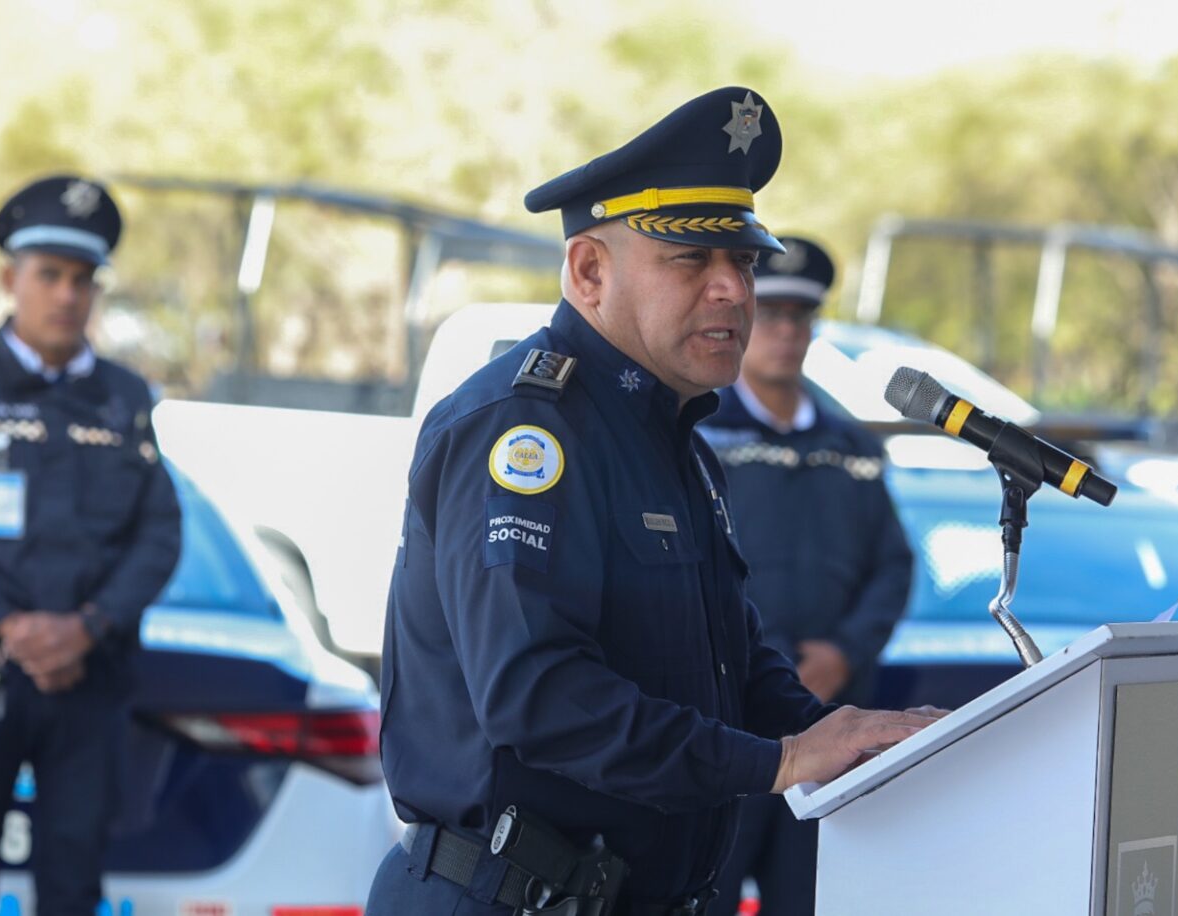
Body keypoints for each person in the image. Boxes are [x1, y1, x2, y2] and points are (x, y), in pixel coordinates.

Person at [367, 87, 942, 916]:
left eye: (741, 261)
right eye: (690, 259)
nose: (733, 292)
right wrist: (780, 761)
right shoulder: (526, 433)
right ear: (589, 271)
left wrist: (865, 741)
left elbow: (732, 668)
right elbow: (543, 699)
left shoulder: (673, 440)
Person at [0, 175, 182, 916]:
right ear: (9, 279)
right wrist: (11, 626)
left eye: (82, 280)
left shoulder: (123, 400)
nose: (65, 296)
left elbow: (160, 532)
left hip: (91, 675)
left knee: (74, 881)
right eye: (48, 275)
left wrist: (85, 627)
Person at [699, 237, 914, 916]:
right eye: (773, 315)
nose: (787, 334)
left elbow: (893, 563)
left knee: (815, 896)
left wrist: (845, 654)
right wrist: (776, 663)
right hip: (729, 720)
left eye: (801, 319)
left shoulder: (849, 445)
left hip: (830, 718)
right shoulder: (699, 427)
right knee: (706, 888)